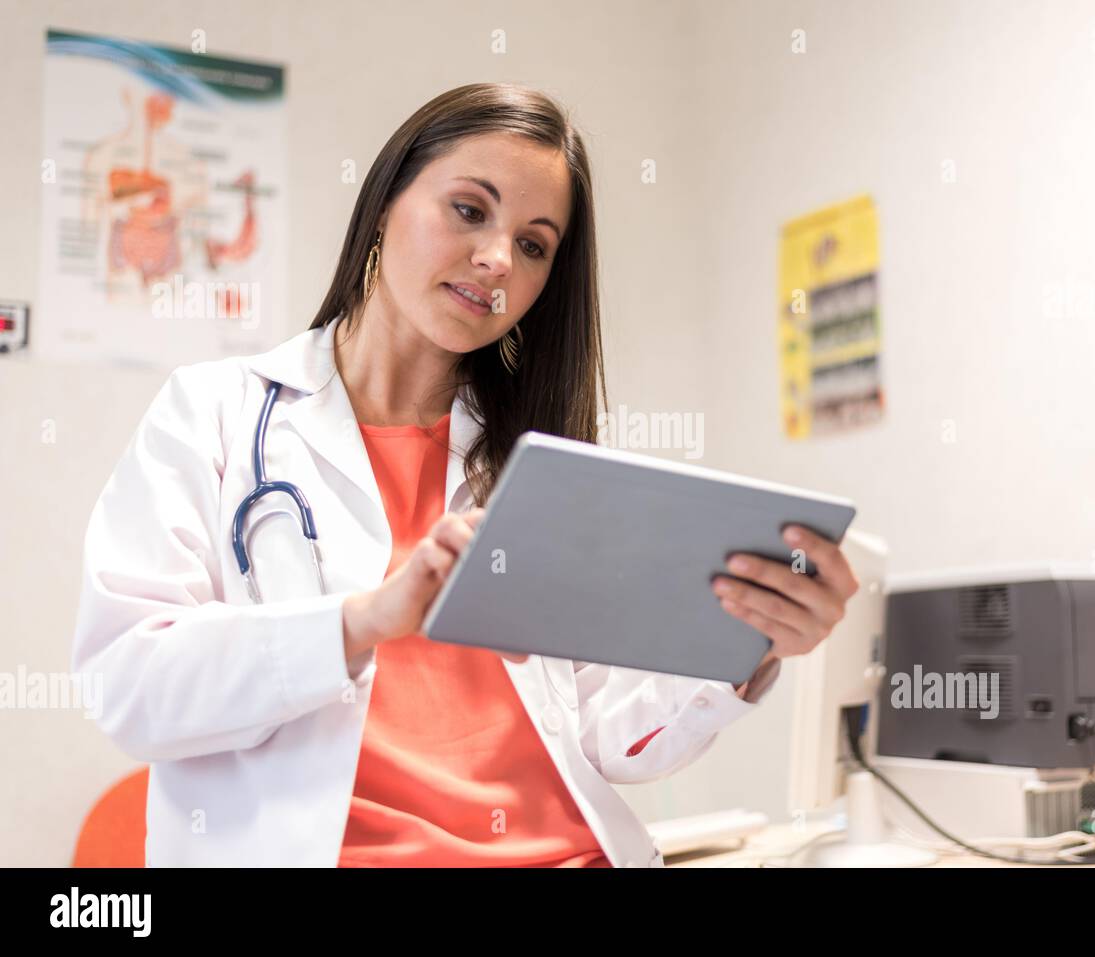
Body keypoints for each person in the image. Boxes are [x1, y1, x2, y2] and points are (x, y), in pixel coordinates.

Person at [70, 83, 859, 867]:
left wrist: (746, 643)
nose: (495, 260)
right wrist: (362, 621)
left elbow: (608, 740)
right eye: (470, 210)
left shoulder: (537, 461)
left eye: (533, 244)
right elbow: (130, 685)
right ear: (385, 202)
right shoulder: (214, 414)